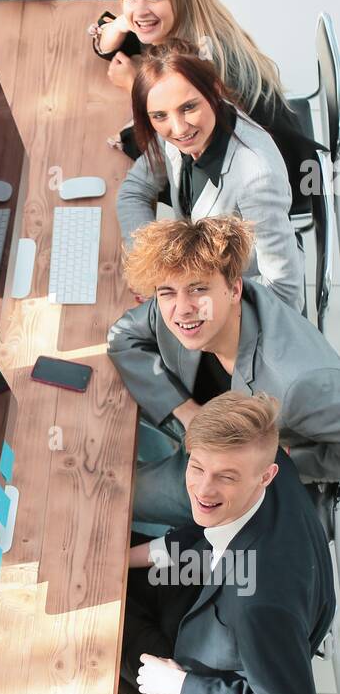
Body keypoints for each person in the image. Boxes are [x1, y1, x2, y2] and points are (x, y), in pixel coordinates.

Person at [123, 392, 335, 694]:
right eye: (197, 467)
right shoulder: (272, 467)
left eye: (226, 477)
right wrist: (130, 559)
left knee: (94, 622)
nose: (203, 490)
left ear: (265, 476)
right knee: (113, 561)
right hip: (210, 594)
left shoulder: (260, 605)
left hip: (202, 673)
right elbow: (207, 531)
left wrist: (180, 686)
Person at [107, 215, 340, 527]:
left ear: (234, 289)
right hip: (199, 424)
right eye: (166, 293)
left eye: (198, 289)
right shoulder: (176, 301)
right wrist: (184, 411)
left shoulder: (299, 380)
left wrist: (276, 458)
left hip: (239, 474)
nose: (182, 309)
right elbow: (122, 337)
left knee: (112, 492)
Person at [116, 46, 303, 311]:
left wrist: (192, 298)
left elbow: (284, 293)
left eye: (189, 108)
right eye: (159, 116)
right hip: (195, 281)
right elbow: (134, 191)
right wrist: (152, 267)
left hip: (235, 305)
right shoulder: (173, 115)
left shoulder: (256, 178)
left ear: (214, 91)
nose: (179, 129)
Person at [88, 0, 301, 155]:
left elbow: (178, 149)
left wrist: (133, 86)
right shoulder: (180, 24)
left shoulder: (200, 56)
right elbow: (109, 48)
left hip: (267, 165)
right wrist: (120, 24)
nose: (141, 11)